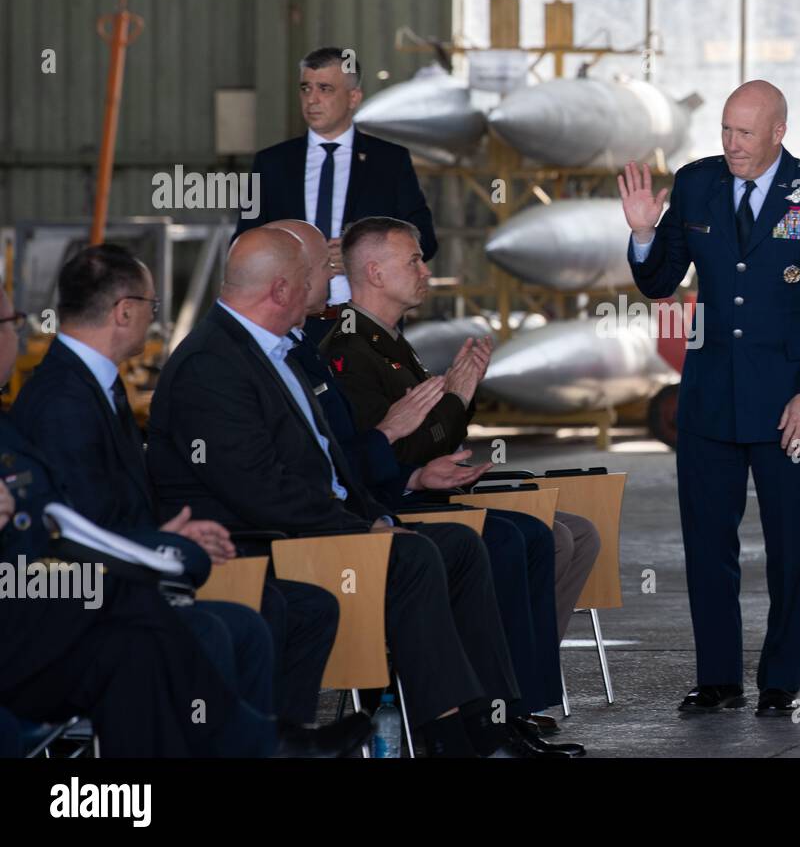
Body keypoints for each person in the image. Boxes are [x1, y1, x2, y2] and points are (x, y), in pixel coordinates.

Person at [145, 227, 538, 757]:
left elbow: (335, 469)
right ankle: (448, 738)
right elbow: (257, 489)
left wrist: (377, 513)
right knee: (413, 556)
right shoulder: (213, 363)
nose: (329, 290)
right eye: (316, 277)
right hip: (261, 544)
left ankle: (485, 722)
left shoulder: (279, 352)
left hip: (310, 528)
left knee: (458, 546)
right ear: (282, 289)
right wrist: (361, 528)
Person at [0, 286, 370, 757]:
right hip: (33, 605)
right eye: (13, 323)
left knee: (173, 627)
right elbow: (64, 531)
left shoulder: (13, 424)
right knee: (150, 617)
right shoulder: (63, 398)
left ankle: (266, 740)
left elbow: (62, 523)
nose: (18, 334)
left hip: (47, 596)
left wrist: (157, 544)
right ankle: (264, 741)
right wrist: (156, 549)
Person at [621, 80, 800, 716]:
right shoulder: (698, 182)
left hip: (790, 405)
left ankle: (780, 681)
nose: (731, 145)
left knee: (790, 548)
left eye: (746, 133)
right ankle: (719, 678)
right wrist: (646, 234)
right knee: (706, 545)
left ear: (778, 133)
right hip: (709, 401)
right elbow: (660, 281)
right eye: (726, 130)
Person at [320, 217, 597, 744]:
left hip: (416, 488)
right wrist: (457, 399)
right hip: (388, 503)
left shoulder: (389, 343)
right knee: (517, 538)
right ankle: (495, 711)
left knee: (558, 533)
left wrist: (452, 406)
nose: (426, 271)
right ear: (374, 272)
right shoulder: (350, 348)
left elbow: (426, 441)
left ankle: (518, 702)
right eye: (414, 260)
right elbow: (391, 449)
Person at [235, 46, 437, 345]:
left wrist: (359, 256)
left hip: (369, 324)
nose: (312, 99)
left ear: (353, 97)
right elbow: (243, 241)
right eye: (305, 88)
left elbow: (426, 242)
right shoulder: (271, 163)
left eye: (325, 89)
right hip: (289, 324)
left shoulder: (390, 162)